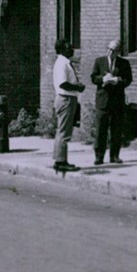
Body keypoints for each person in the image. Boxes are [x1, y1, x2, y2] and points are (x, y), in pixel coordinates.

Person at [89, 37, 134, 165]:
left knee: (116, 131)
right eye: (108, 49)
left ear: (118, 52)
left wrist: (118, 80)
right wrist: (103, 79)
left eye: (113, 50)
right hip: (103, 101)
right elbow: (93, 78)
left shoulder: (124, 64)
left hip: (117, 102)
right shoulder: (99, 61)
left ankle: (114, 156)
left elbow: (128, 80)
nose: (109, 52)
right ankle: (99, 156)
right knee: (100, 131)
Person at [50, 38, 85, 172]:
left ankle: (59, 159)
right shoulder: (61, 63)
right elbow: (62, 83)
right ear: (62, 49)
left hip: (67, 98)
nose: (72, 49)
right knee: (64, 131)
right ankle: (61, 161)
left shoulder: (64, 62)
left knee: (62, 130)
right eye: (69, 47)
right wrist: (77, 87)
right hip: (66, 99)